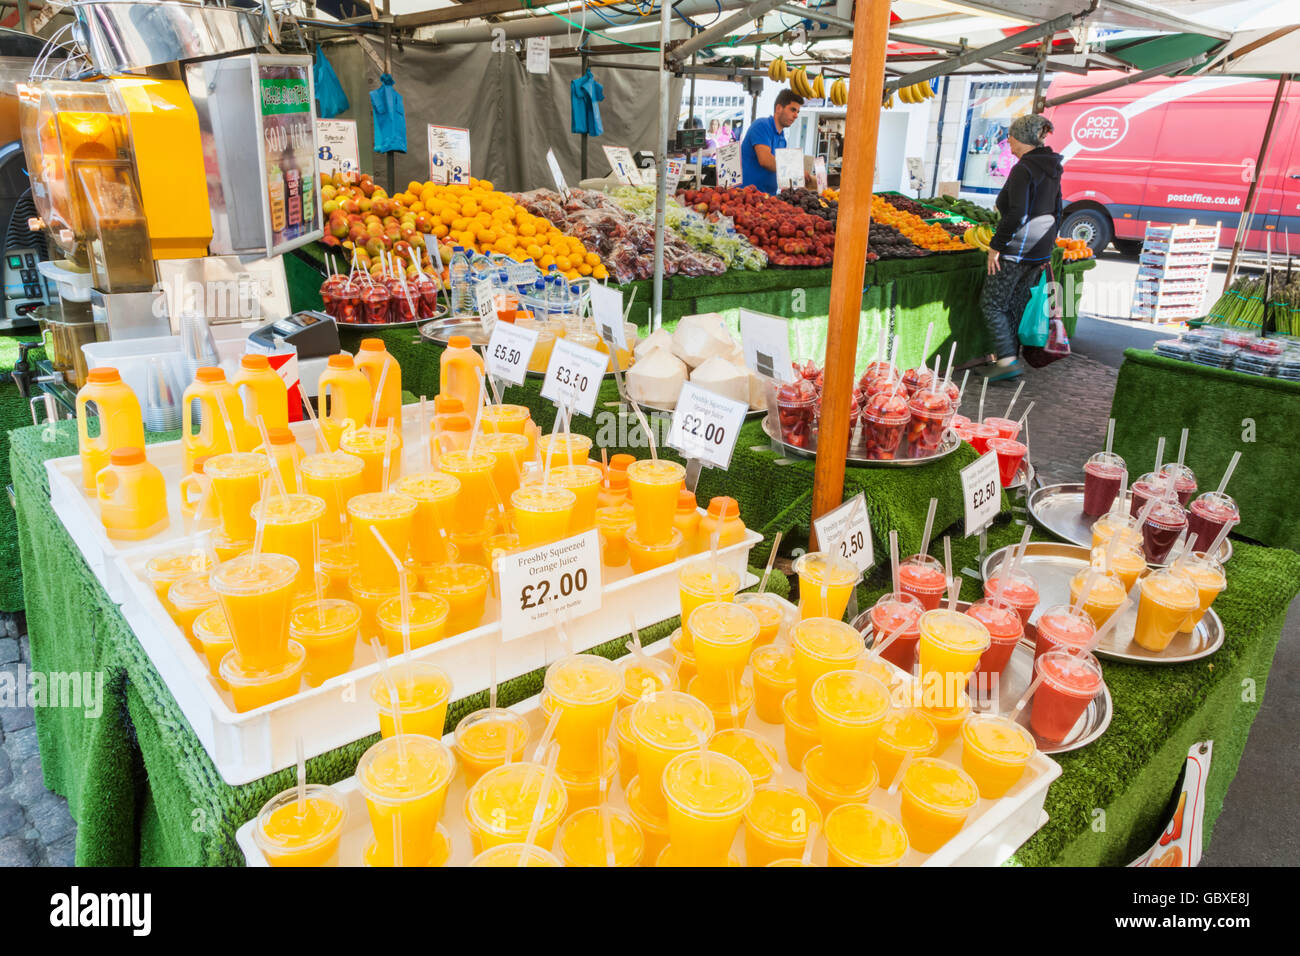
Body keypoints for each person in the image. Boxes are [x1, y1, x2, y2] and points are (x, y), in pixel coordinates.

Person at [978, 113, 1064, 381]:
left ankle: (1006, 361)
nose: (1009, 144)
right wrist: (1047, 246)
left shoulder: (1024, 169)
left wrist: (996, 246)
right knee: (1014, 304)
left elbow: (1016, 213)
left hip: (1017, 249)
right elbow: (1058, 210)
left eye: (1012, 139)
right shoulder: (1051, 168)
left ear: (1022, 140)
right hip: (1038, 251)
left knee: (992, 304)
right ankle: (1010, 358)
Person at [741, 89, 803, 195]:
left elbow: (780, 170)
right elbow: (766, 160)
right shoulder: (761, 126)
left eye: (797, 112)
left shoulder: (783, 139)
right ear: (779, 108)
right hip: (748, 198)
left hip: (769, 199)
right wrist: (796, 172)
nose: (796, 115)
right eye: (793, 110)